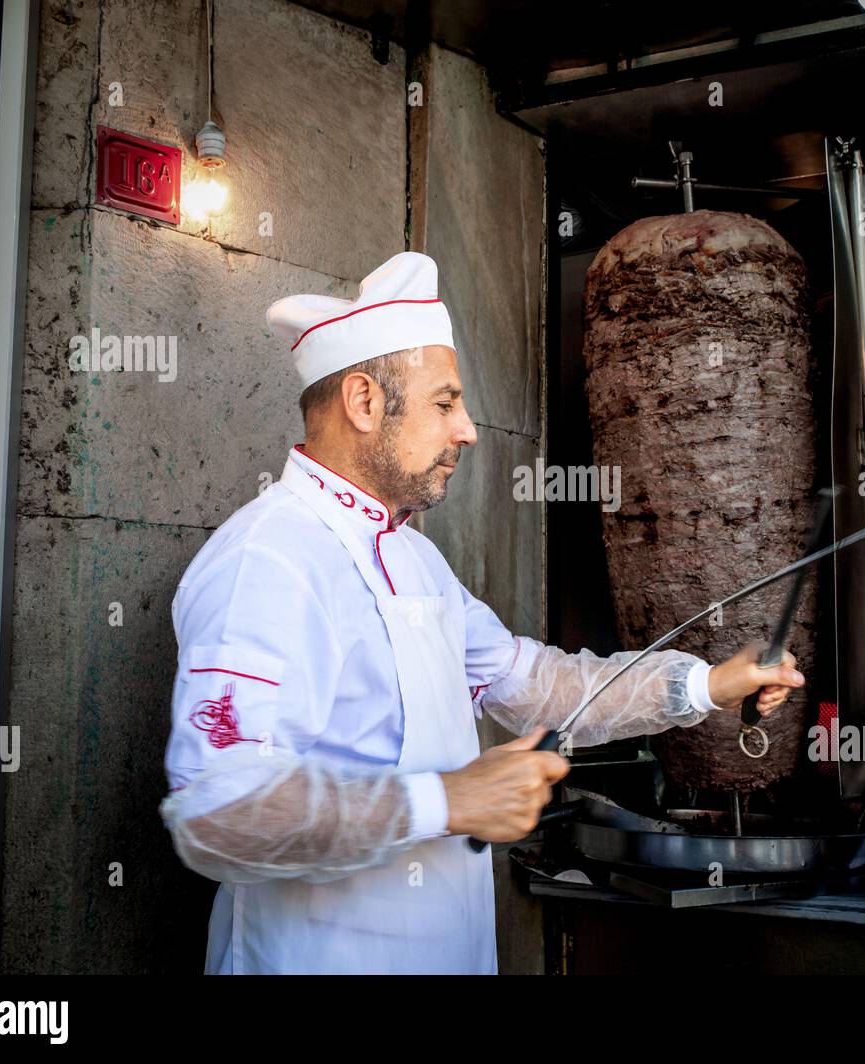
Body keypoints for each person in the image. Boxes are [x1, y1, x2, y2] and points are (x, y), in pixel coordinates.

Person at [158, 251, 805, 974]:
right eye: (445, 402)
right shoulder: (268, 561)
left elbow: (536, 684)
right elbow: (219, 815)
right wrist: (447, 800)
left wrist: (705, 687)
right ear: (365, 402)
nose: (468, 430)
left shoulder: (414, 559)